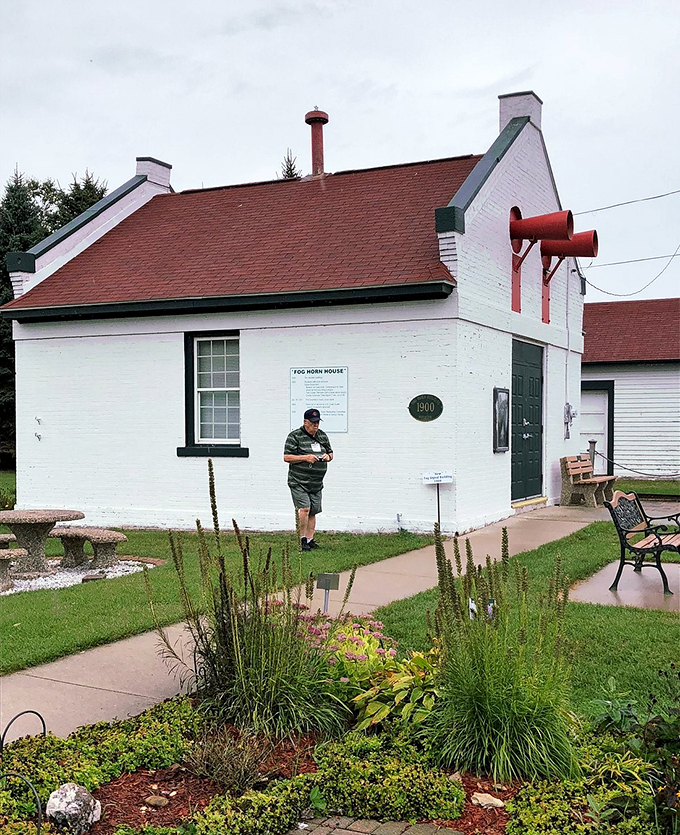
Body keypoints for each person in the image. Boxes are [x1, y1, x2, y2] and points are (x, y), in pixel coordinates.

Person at [283, 408, 334, 551]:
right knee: (304, 508)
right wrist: (306, 457)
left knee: (313, 511)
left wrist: (327, 457)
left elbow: (331, 452)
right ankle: (302, 540)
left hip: (316, 483)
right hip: (299, 480)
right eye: (313, 423)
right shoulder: (295, 436)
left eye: (317, 422)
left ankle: (310, 539)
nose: (316, 425)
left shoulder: (322, 436)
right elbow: (287, 457)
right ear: (305, 422)